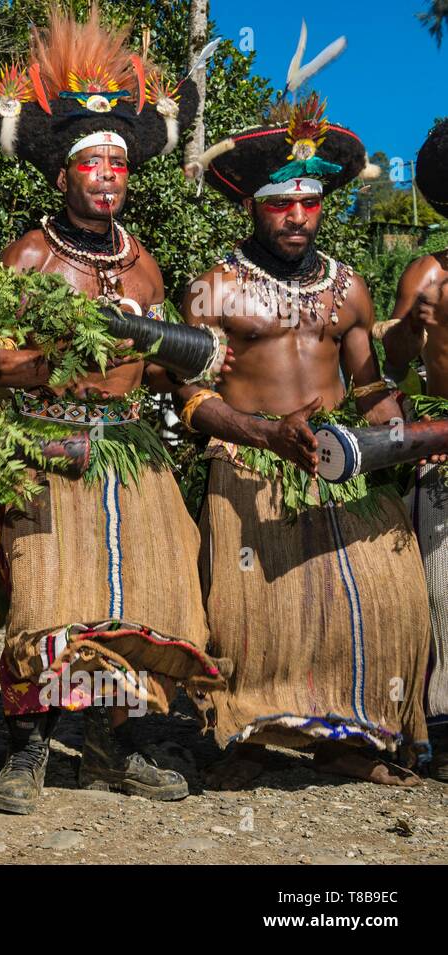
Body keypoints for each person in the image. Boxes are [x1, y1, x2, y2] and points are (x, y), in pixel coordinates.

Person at [0, 7, 225, 815]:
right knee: (47, 594)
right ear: (62, 176)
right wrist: (57, 361)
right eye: (92, 163)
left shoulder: (145, 263)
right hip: (48, 444)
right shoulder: (29, 255)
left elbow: (169, 365)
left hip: (132, 450)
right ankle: (30, 742)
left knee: (140, 590)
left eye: (117, 162)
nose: (108, 174)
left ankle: (115, 742)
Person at [177, 58, 428, 787]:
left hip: (335, 462)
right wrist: (259, 434)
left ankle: (350, 737)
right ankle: (250, 734)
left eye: (310, 204)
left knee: (381, 595)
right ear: (253, 206)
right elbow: (189, 400)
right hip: (250, 463)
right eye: (281, 204)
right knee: (253, 607)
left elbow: (371, 383)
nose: (296, 217)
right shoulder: (214, 288)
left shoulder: (349, 287)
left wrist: (395, 439)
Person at [374, 116, 448, 782]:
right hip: (443, 453)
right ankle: (436, 730)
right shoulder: (427, 273)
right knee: (438, 595)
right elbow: (391, 368)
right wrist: (407, 327)